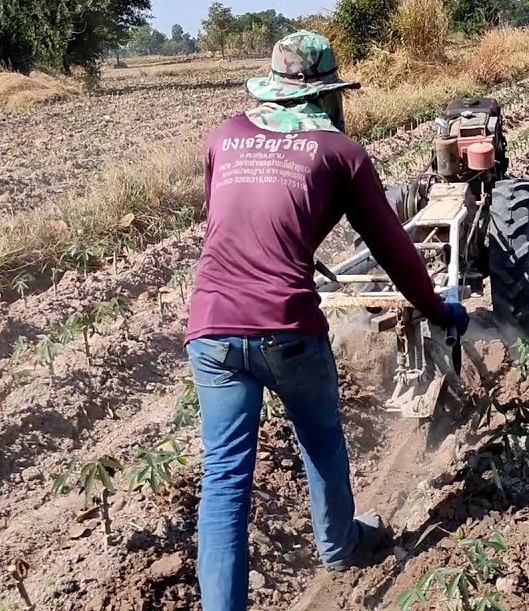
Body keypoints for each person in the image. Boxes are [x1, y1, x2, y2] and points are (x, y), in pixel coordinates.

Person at [184, 30, 471, 611]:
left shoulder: (223, 138)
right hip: (287, 327)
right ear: (327, 95)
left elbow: (230, 223)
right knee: (319, 438)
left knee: (224, 484)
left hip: (210, 327)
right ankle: (340, 543)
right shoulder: (341, 153)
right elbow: (396, 252)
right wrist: (442, 311)